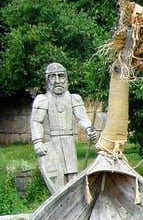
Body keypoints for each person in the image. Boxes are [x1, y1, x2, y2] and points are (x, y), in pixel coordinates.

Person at [30, 62, 98, 194]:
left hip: (68, 142)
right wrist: (38, 141)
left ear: (66, 78)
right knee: (56, 177)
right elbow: (36, 121)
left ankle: (74, 201)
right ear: (47, 79)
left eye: (61, 76)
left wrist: (89, 129)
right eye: (52, 77)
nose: (57, 81)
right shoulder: (42, 100)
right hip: (52, 144)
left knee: (72, 174)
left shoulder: (73, 98)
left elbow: (82, 117)